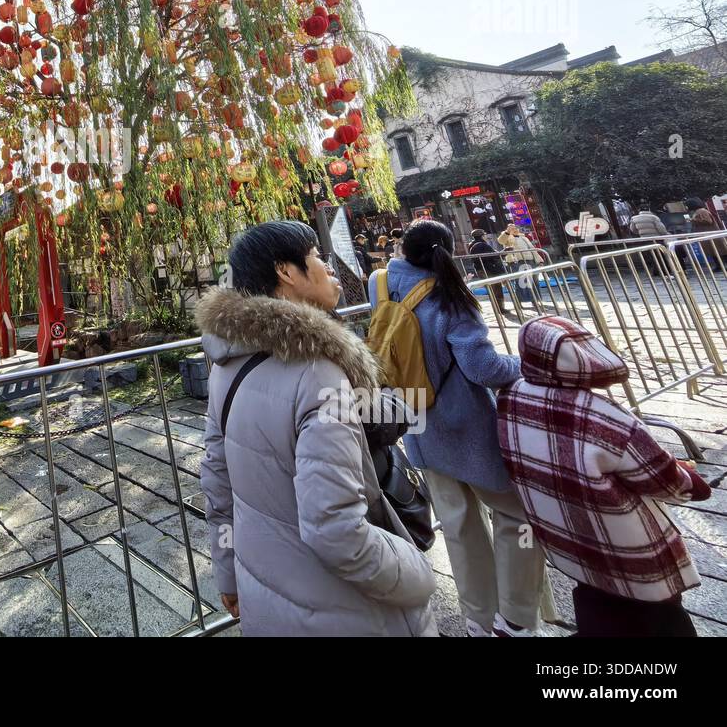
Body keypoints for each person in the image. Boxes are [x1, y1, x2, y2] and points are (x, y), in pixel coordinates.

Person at [197, 220, 437, 636]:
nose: (329, 268)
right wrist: (417, 576)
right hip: (347, 610)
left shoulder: (225, 366)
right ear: (286, 273)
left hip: (268, 597)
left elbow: (217, 483)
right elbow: (335, 529)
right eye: (317, 258)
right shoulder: (318, 373)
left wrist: (228, 574)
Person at [369, 219, 549, 637]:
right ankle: (518, 617)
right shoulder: (452, 300)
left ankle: (477, 620)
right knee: (516, 516)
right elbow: (483, 368)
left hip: (418, 424)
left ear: (403, 252)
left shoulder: (381, 286)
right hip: (468, 428)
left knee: (458, 525)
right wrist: (528, 366)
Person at [498, 315, 712, 637]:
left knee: (594, 600)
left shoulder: (511, 396)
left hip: (566, 535)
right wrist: (691, 480)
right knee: (661, 619)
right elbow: (664, 479)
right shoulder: (603, 416)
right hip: (625, 546)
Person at [467, 228, 512, 317]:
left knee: (492, 290)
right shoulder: (481, 245)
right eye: (484, 235)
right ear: (482, 236)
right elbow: (494, 256)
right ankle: (500, 308)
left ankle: (498, 308)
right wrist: (505, 251)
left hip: (482, 270)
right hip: (489, 270)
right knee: (496, 289)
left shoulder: (472, 245)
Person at [497, 224, 540, 309]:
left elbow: (532, 248)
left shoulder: (524, 237)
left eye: (516, 228)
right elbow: (501, 241)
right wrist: (507, 232)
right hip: (516, 261)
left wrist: (539, 260)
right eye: (512, 228)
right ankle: (518, 302)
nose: (515, 229)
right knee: (520, 282)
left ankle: (534, 300)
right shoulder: (507, 236)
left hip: (529, 260)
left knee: (533, 281)